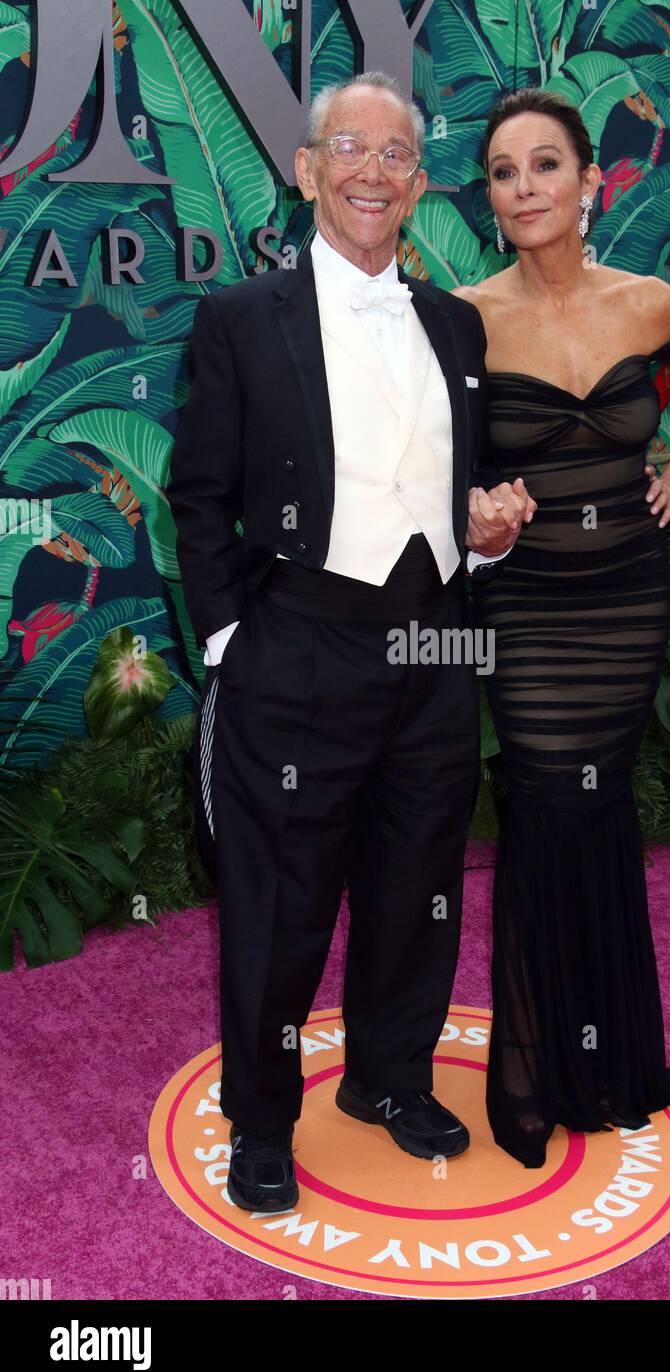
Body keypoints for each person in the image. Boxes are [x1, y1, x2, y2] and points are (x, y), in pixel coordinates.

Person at [166, 72, 536, 1212]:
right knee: (279, 903)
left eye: (395, 156)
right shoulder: (240, 319)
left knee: (417, 884)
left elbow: (460, 483)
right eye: (349, 149)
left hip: (432, 652)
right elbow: (197, 494)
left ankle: (388, 1077)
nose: (372, 171)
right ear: (307, 168)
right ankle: (264, 1120)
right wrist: (234, 642)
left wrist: (486, 538)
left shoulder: (456, 322)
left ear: (420, 185)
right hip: (298, 647)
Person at [453, 88, 670, 1168]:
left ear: (590, 184)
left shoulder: (651, 304)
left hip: (626, 592)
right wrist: (479, 513)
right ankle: (532, 1074)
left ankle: (613, 1060)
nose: (523, 188)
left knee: (598, 807)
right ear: (489, 198)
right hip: (525, 603)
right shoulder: (466, 317)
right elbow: (432, 465)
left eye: (544, 166)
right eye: (502, 172)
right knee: (540, 808)